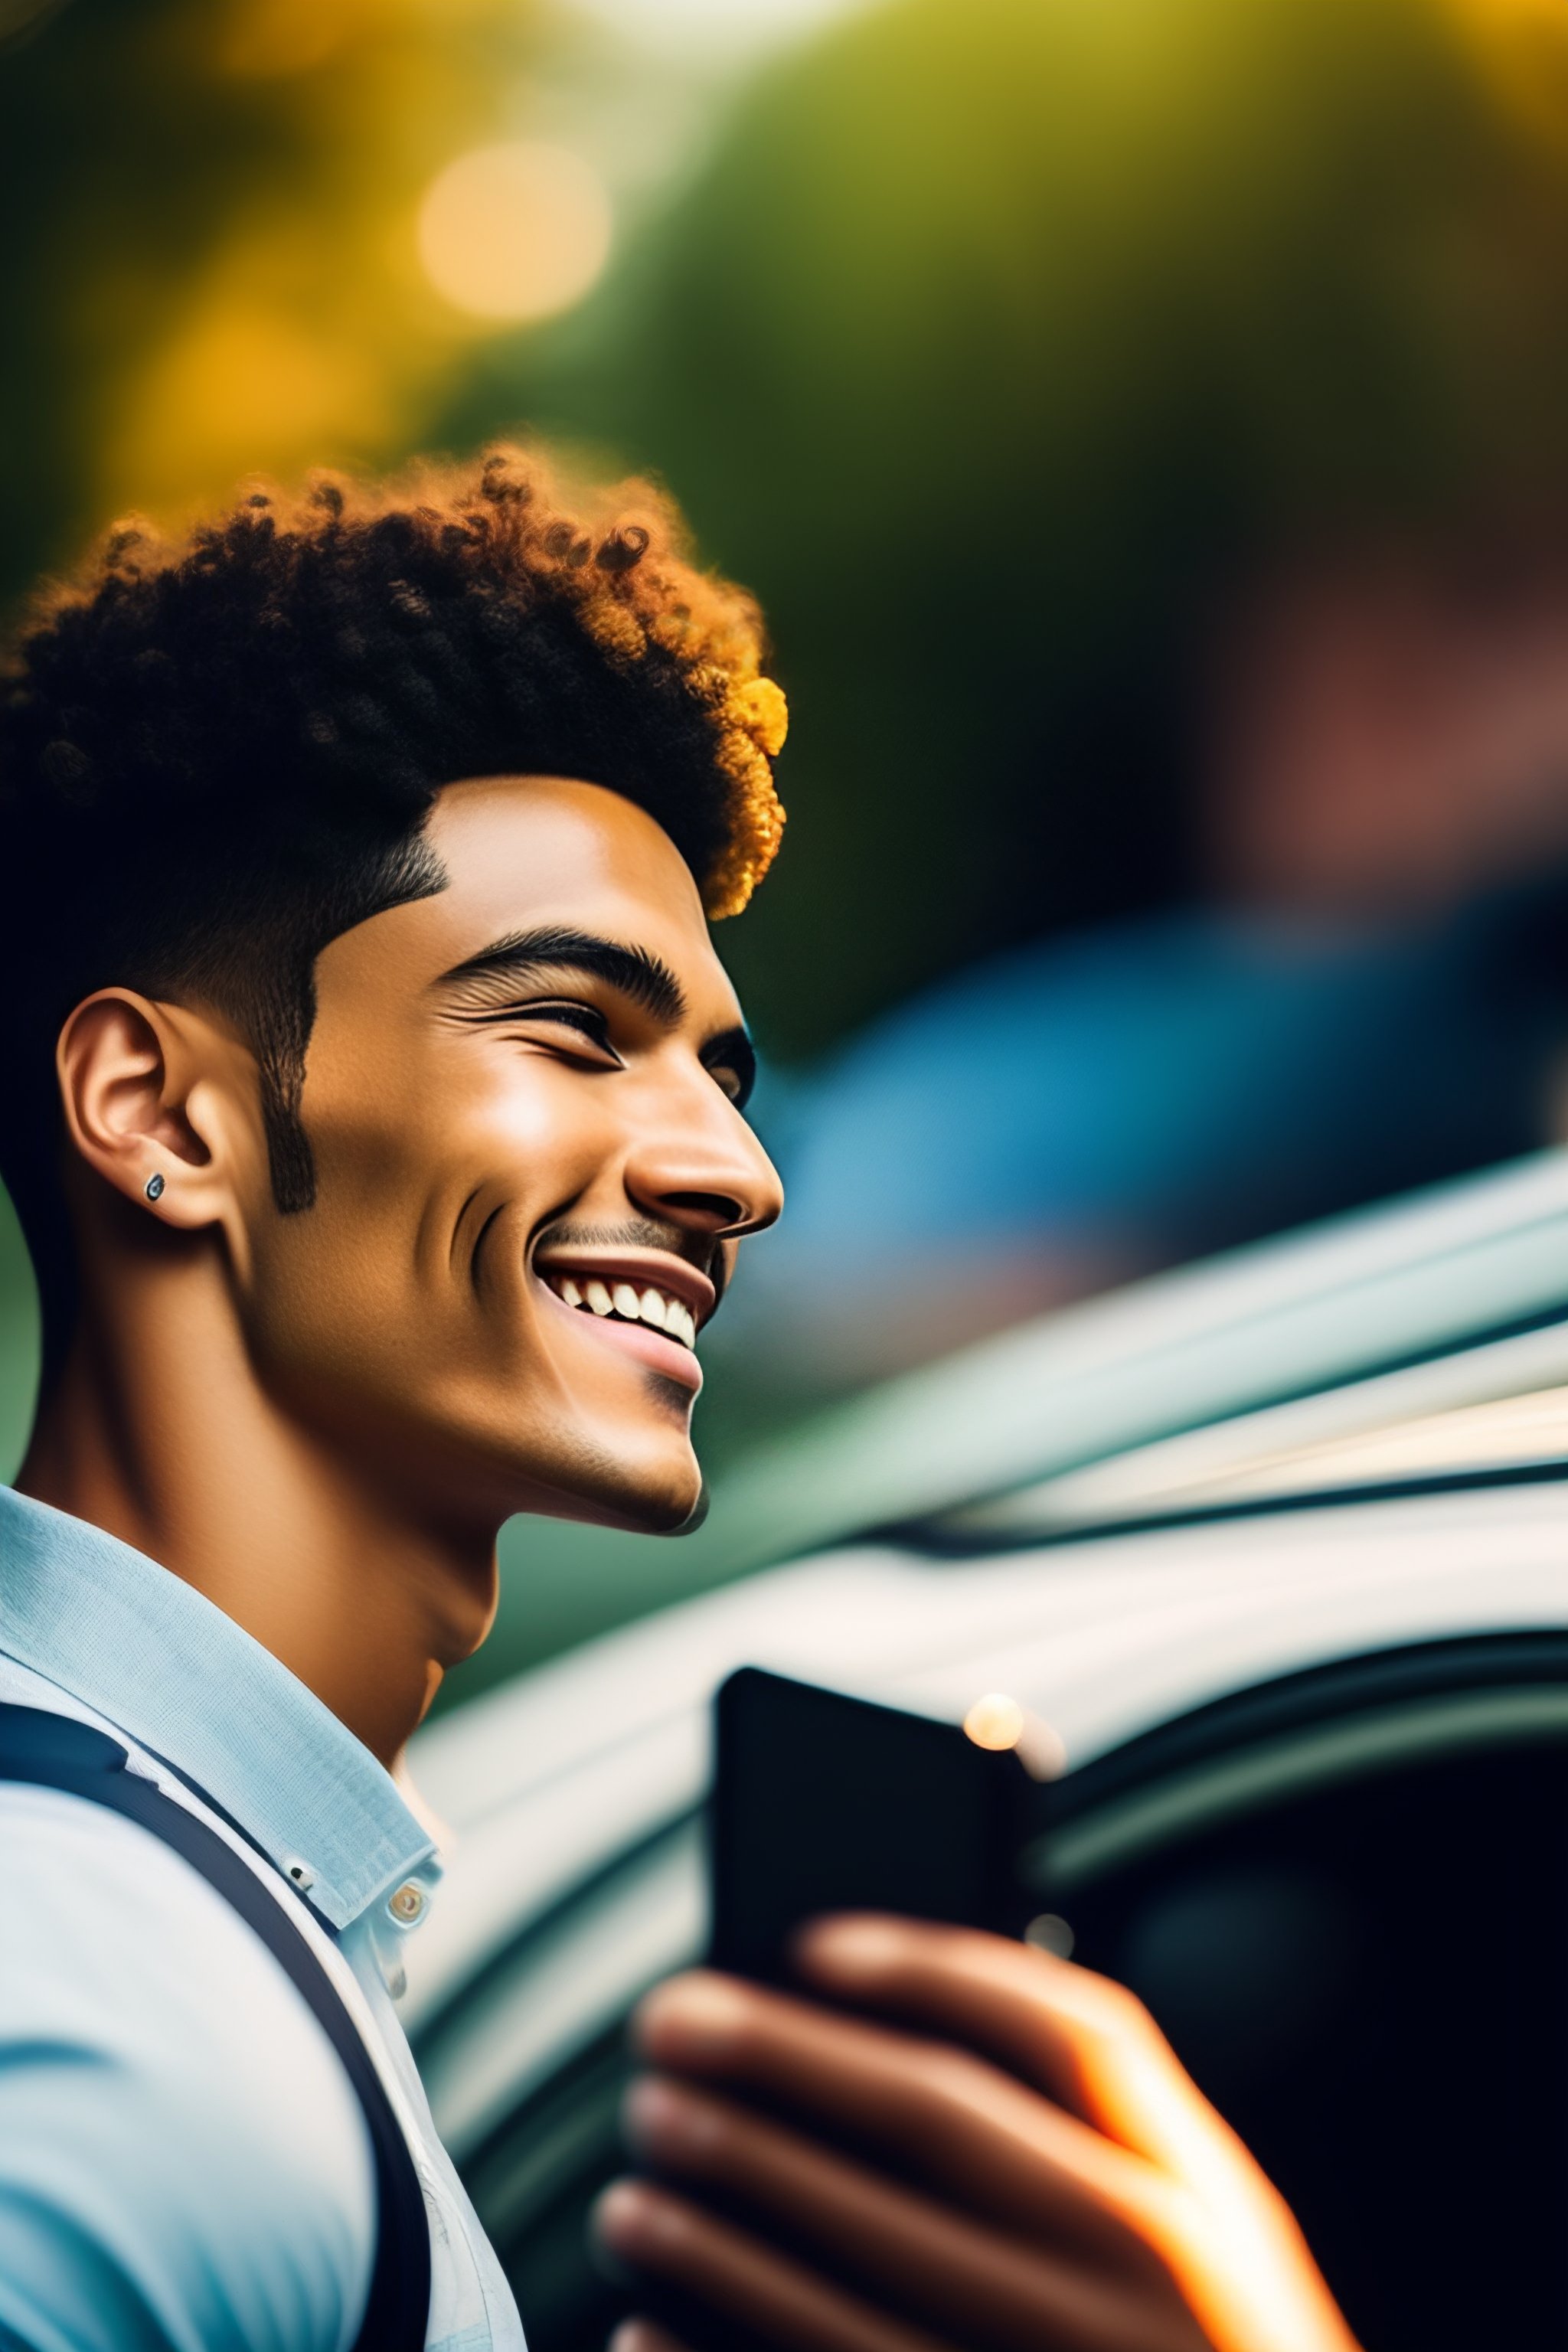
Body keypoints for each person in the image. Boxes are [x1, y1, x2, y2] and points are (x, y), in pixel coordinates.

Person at [0, 446, 1356, 2352]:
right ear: (159, 1114)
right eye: (573, 1031)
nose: (736, 1172)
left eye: (717, 1068)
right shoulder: (134, 2027)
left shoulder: (198, 1912)